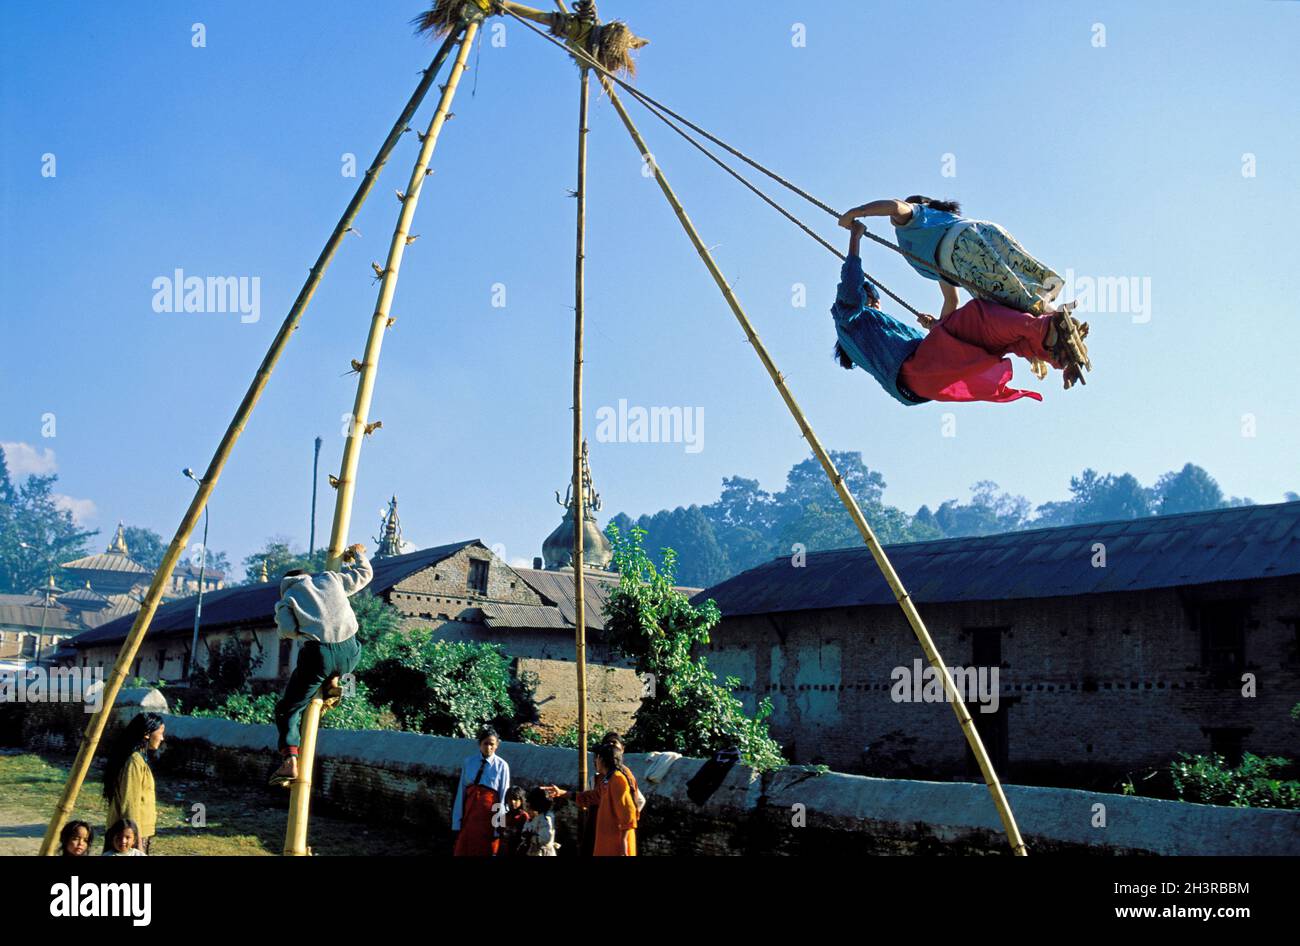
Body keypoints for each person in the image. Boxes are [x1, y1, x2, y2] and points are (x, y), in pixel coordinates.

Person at [831, 222, 1087, 399]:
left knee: (995, 342)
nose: (877, 306)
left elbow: (932, 348)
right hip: (916, 372)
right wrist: (855, 236)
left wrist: (935, 327)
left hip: (921, 380)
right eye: (874, 301)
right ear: (866, 298)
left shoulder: (863, 337)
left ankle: (1057, 355)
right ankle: (1044, 327)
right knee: (979, 317)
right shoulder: (848, 316)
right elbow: (851, 281)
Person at [837, 196, 1064, 316]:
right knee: (1022, 280)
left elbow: (894, 206)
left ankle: (1047, 319)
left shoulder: (916, 215)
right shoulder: (938, 223)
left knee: (1005, 302)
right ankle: (1052, 314)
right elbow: (951, 300)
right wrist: (939, 326)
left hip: (962, 250)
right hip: (981, 233)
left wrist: (856, 213)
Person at [269, 543, 372, 787]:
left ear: (285, 585)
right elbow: (365, 574)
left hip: (318, 656)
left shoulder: (287, 599)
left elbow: (287, 631)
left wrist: (303, 629)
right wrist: (358, 554)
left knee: (288, 709)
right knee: (353, 650)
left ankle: (290, 759)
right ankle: (337, 681)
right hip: (351, 651)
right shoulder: (331, 579)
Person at [543, 742, 638, 857]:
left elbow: (628, 813)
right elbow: (592, 797)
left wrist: (623, 844)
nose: (595, 761)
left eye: (596, 758)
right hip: (606, 841)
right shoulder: (607, 780)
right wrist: (562, 793)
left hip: (617, 843)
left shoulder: (618, 779)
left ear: (601, 759)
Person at [103, 712, 163, 854]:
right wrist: (136, 844)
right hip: (127, 836)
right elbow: (130, 804)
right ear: (147, 734)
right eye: (160, 733)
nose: (162, 738)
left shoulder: (139, 759)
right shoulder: (134, 761)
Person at [452, 725, 510, 856]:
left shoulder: (502, 766)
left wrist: (499, 825)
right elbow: (461, 793)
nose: (488, 747)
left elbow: (503, 796)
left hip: (489, 817)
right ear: (479, 744)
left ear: (497, 745)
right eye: (485, 744)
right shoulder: (469, 762)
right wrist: (457, 822)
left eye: (492, 744)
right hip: (470, 815)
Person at [521, 787, 560, 856]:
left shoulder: (546, 818)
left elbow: (545, 838)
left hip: (544, 852)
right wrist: (525, 835)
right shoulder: (535, 817)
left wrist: (532, 837)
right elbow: (526, 829)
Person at [500, 785, 530, 857]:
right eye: (510, 799)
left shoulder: (524, 817)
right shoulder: (504, 817)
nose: (512, 802)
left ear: (521, 800)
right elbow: (501, 835)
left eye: (516, 799)